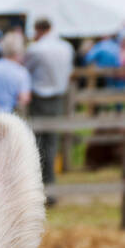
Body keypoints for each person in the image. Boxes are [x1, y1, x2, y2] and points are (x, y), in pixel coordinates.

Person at [24, 18, 74, 191]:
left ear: (38, 29)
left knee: (38, 143)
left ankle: (40, 185)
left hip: (40, 97)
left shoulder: (36, 49)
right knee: (51, 142)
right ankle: (50, 184)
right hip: (58, 98)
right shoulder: (66, 47)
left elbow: (26, 70)